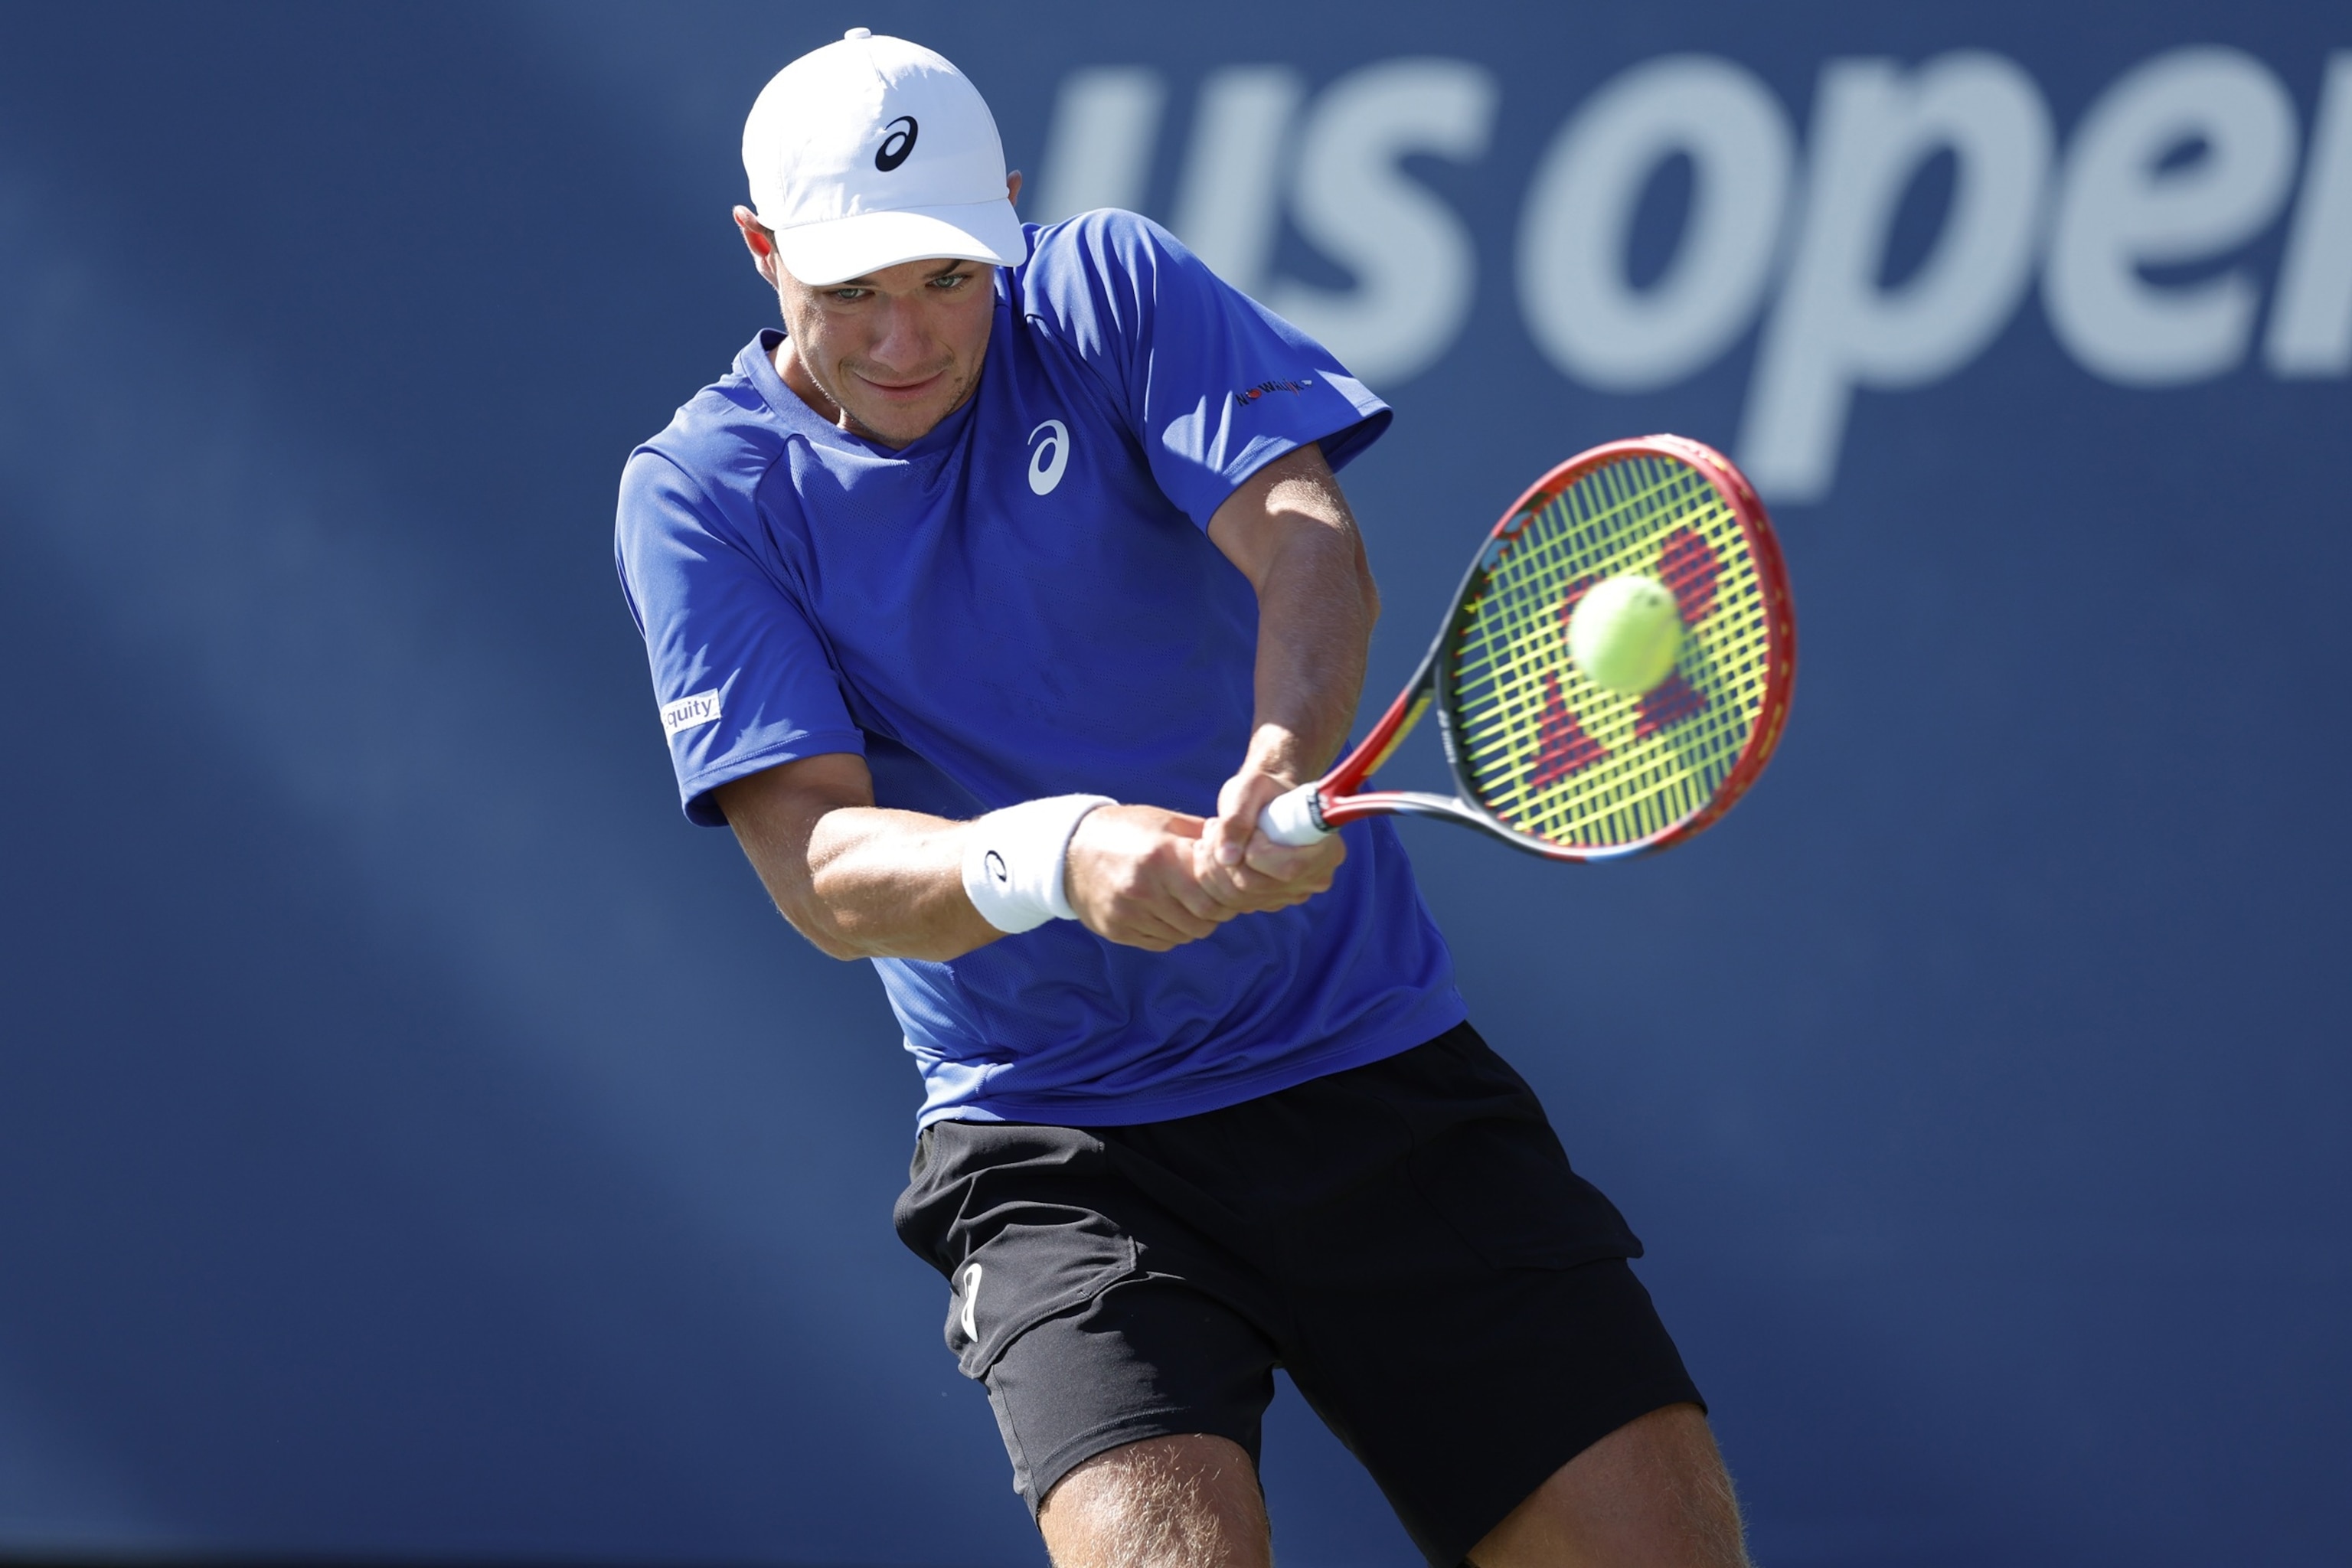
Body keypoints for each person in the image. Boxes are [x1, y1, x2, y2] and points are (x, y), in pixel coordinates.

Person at [615, 28, 1749, 1568]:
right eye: (853, 288)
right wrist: (1066, 855)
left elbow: (1302, 535)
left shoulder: (1105, 291)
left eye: (948, 276)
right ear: (762, 252)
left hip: (1369, 1064)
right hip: (1061, 1146)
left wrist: (1283, 751)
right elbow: (819, 862)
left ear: (1005, 217)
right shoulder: (698, 495)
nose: (907, 334)